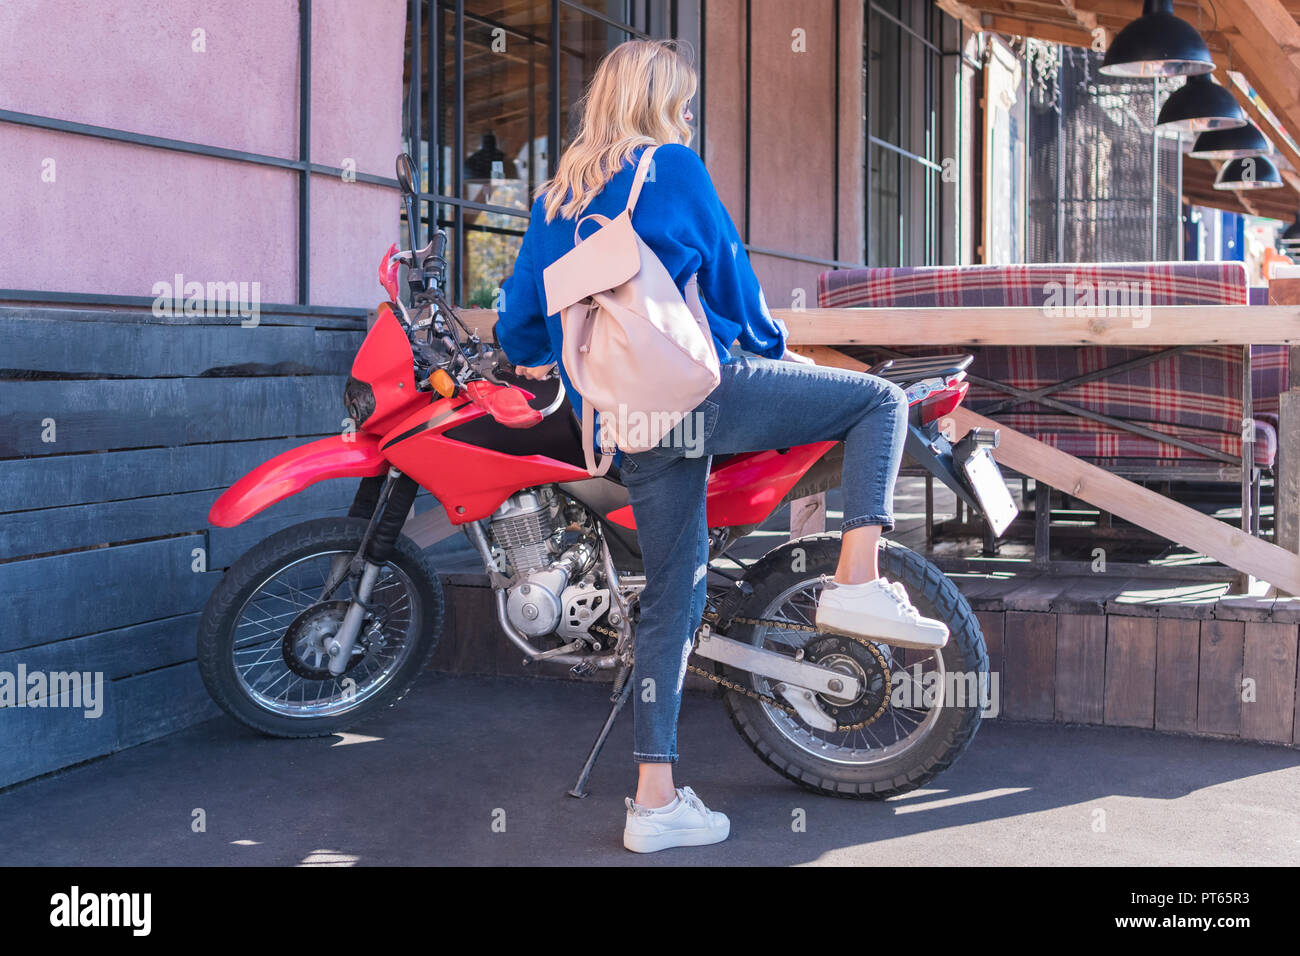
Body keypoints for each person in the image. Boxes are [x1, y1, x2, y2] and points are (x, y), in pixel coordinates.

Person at [494, 38, 949, 854]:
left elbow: (520, 328)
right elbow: (739, 294)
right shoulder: (671, 169)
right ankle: (856, 579)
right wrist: (782, 357)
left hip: (629, 424)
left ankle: (655, 801)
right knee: (879, 400)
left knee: (673, 596)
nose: (692, 113)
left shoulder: (555, 196)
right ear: (657, 101)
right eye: (684, 99)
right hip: (705, 396)